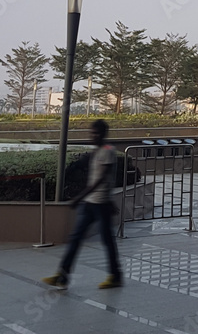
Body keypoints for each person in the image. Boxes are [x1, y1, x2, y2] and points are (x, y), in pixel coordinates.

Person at [43, 119, 122, 290]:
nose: (93, 136)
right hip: (90, 203)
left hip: (100, 203)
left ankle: (115, 276)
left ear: (104, 134)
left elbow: (102, 180)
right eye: (92, 133)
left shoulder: (108, 151)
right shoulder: (97, 151)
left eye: (96, 133)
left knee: (107, 241)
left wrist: (79, 197)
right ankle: (63, 275)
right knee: (75, 238)